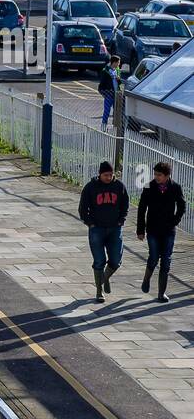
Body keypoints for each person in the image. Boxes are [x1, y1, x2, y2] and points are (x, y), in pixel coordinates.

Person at [79, 160, 129, 302]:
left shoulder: (119, 187)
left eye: (111, 175)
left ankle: (104, 278)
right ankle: (99, 292)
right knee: (99, 260)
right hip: (97, 229)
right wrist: (90, 224)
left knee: (116, 260)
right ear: (100, 174)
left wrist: (121, 221)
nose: (108, 177)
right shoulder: (90, 187)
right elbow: (83, 209)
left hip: (114, 228)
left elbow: (125, 205)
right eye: (106, 175)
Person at [136, 161, 185, 303]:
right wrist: (140, 229)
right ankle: (146, 279)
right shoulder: (149, 187)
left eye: (159, 175)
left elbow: (182, 206)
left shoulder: (175, 187)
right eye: (155, 174)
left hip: (169, 230)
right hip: (152, 229)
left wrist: (175, 221)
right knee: (153, 256)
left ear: (167, 176)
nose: (156, 177)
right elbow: (141, 208)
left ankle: (161, 293)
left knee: (166, 260)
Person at [98, 56, 120, 127]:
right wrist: (105, 94)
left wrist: (118, 79)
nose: (119, 64)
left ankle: (115, 126)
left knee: (116, 112)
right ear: (114, 62)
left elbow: (119, 82)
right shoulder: (105, 71)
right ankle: (104, 126)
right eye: (118, 63)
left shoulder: (117, 70)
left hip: (117, 94)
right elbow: (101, 85)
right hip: (109, 94)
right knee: (107, 111)